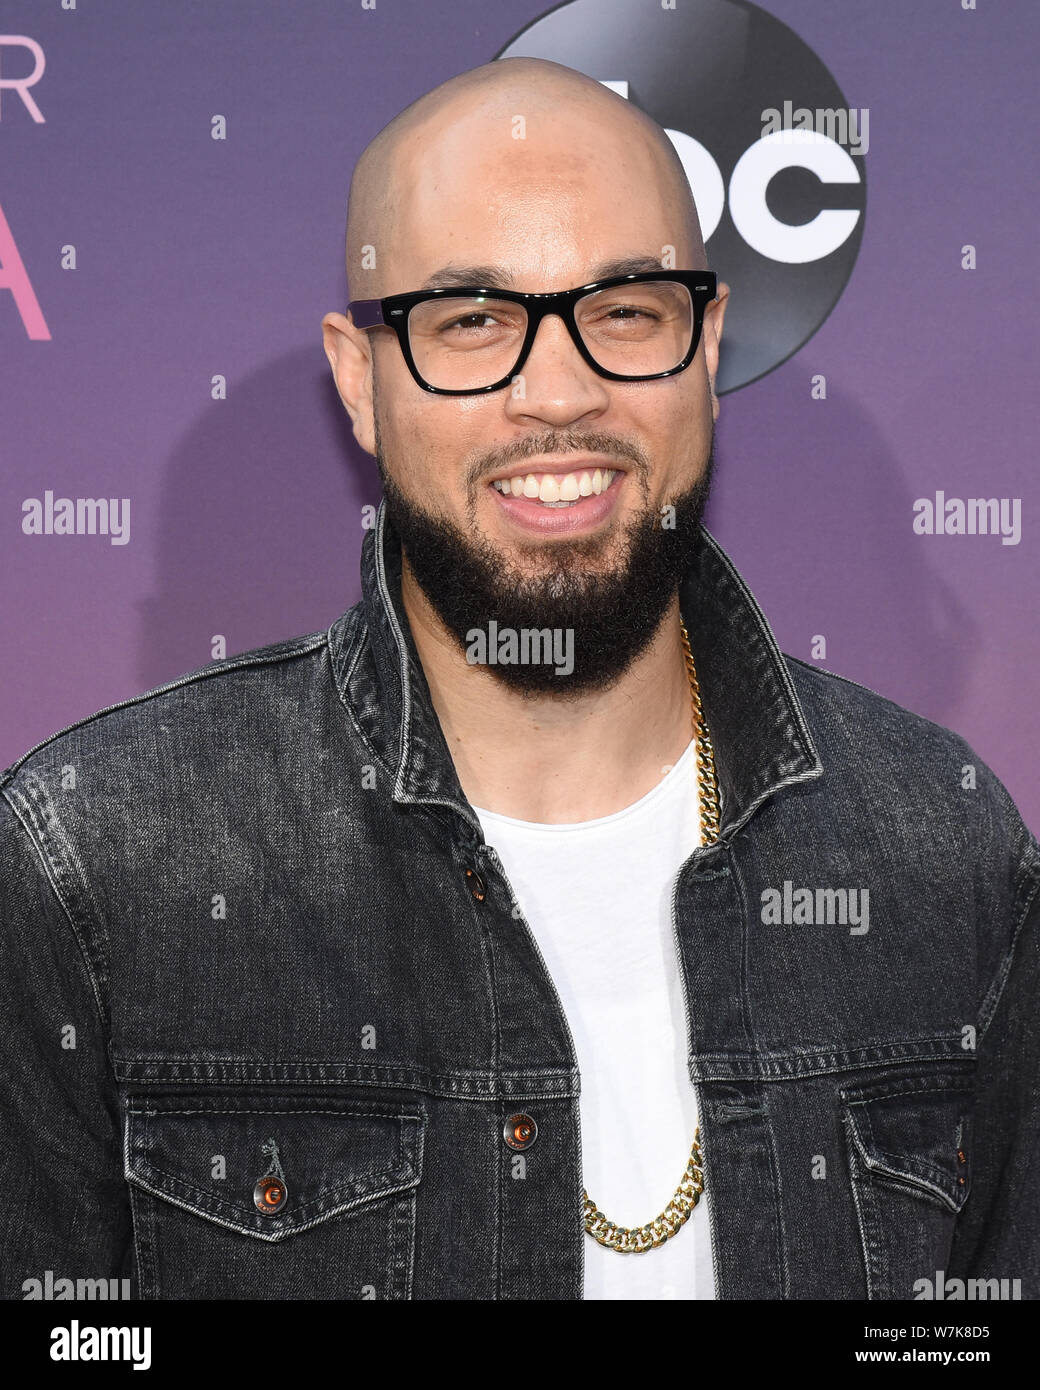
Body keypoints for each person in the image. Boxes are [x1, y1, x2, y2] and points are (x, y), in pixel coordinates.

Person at [1, 57, 1037, 1303]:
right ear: (360, 380)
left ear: (704, 348)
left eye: (625, 311)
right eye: (473, 322)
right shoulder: (99, 860)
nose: (557, 391)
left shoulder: (942, 845)